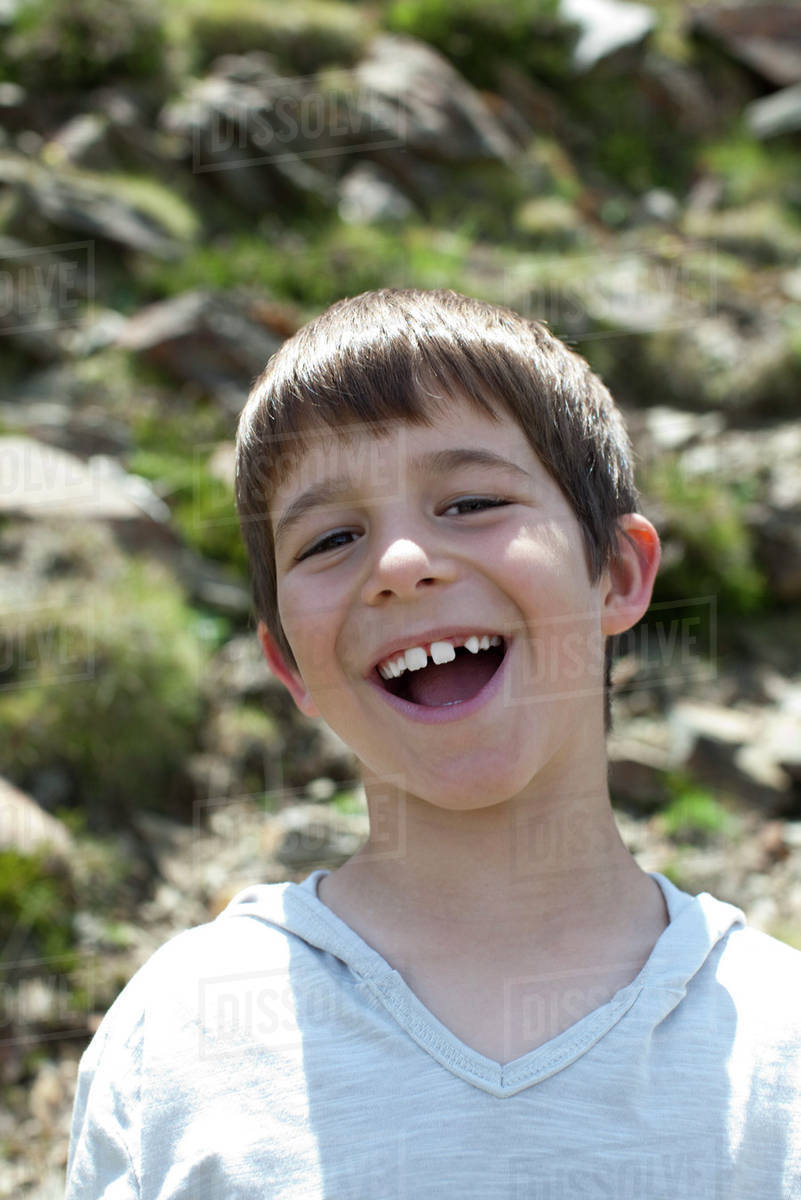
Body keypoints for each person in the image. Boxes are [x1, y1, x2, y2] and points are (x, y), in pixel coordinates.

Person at [67, 289, 801, 1198]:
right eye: (331, 538)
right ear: (287, 662)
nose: (402, 563)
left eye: (472, 501)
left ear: (615, 573)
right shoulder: (181, 1033)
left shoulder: (781, 1046)